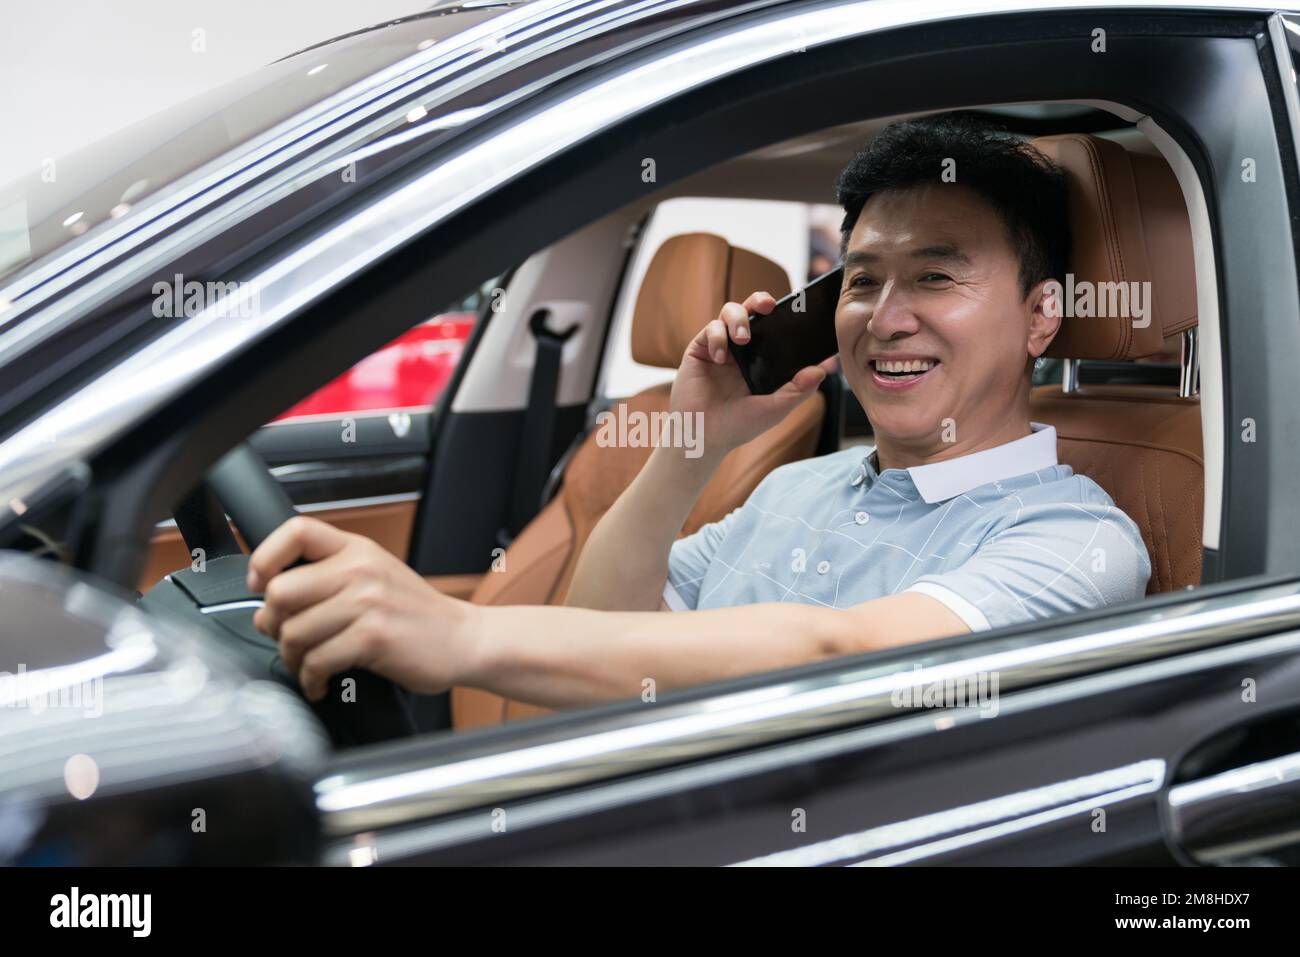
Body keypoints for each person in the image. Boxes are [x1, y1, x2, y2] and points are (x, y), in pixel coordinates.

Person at [245, 114, 1151, 709]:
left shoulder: (1078, 540)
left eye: (937, 276)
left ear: (1042, 315)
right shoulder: (800, 484)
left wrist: (463, 632)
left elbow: (840, 652)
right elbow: (605, 629)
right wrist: (693, 442)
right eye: (863, 278)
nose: (885, 315)